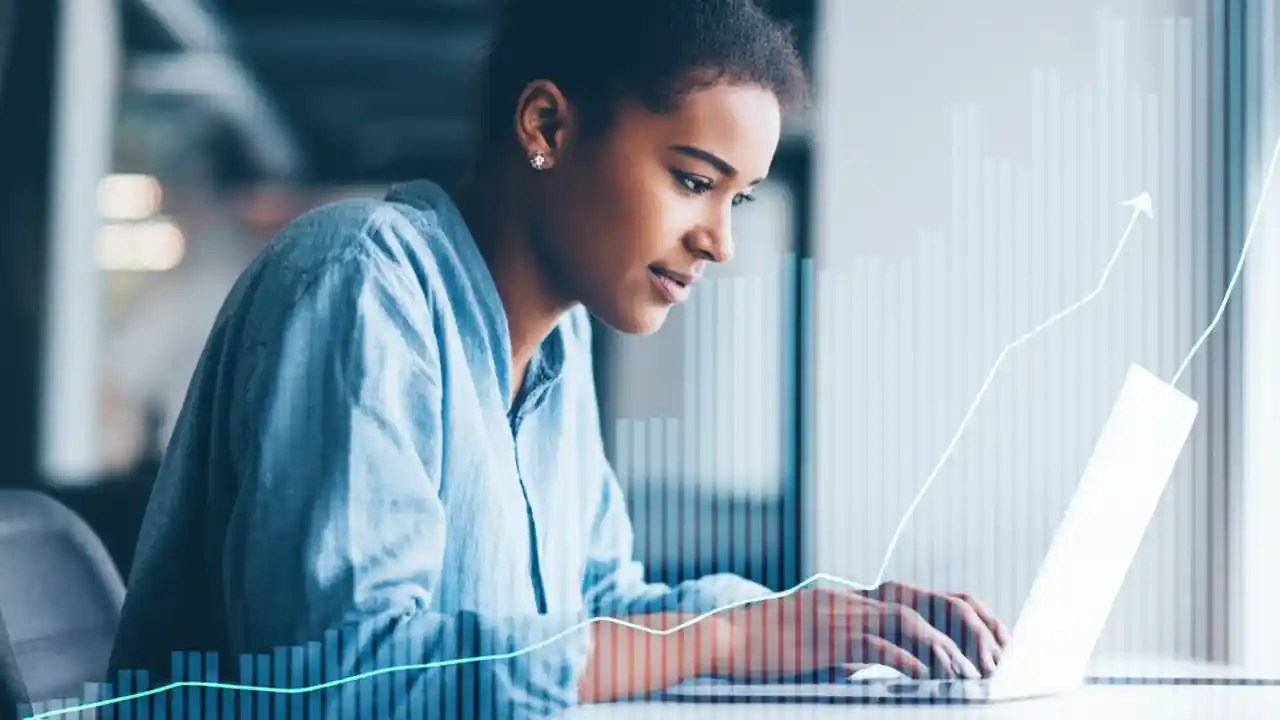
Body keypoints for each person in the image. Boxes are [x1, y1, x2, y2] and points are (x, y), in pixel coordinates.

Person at [109, 0, 1009, 716]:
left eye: (740, 198)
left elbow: (598, 600)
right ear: (546, 124)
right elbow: (343, 677)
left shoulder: (555, 341)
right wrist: (725, 641)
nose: (720, 243)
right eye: (694, 181)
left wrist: (832, 620)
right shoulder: (362, 280)